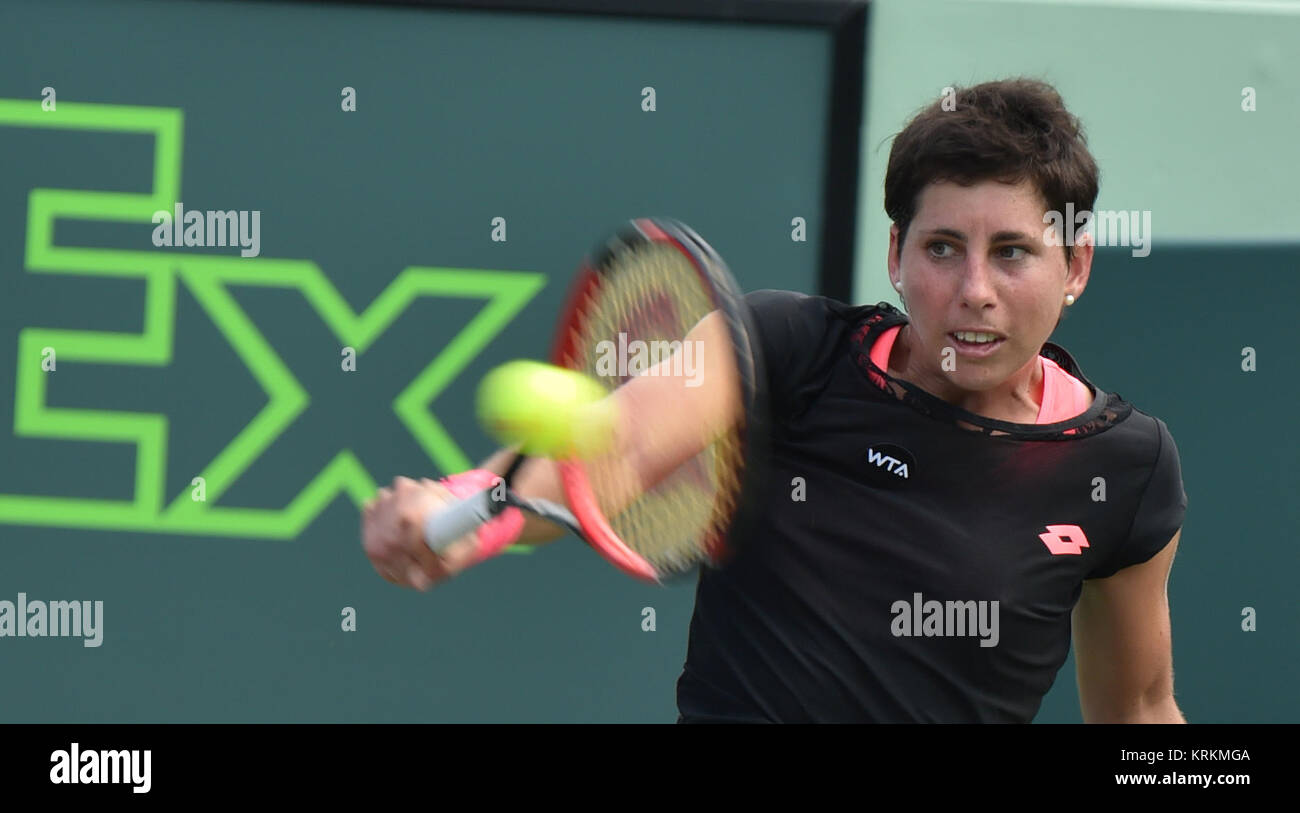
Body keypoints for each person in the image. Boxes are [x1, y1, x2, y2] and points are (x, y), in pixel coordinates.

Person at [362, 78, 1187, 723]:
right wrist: (468, 510)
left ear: (1075, 265)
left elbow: (1140, 709)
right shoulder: (789, 347)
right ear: (897, 252)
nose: (975, 290)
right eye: (942, 247)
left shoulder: (1125, 464)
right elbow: (612, 449)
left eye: (1013, 252)